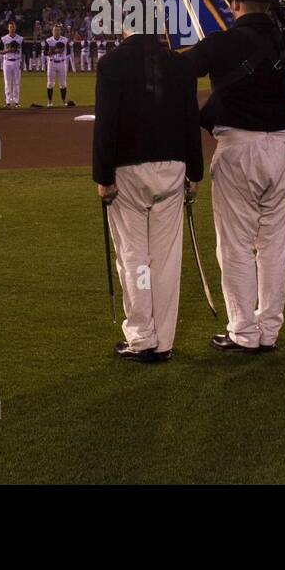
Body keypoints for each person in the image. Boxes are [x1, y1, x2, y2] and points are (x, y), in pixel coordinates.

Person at [187, 0, 285, 354]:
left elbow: (183, 70)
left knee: (235, 245)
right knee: (273, 243)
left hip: (240, 146)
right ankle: (269, 330)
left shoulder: (223, 42)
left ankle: (244, 331)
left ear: (235, 6)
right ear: (267, 4)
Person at [93, 26, 203, 363]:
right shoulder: (180, 65)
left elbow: (106, 122)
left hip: (128, 171)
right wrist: (195, 172)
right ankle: (163, 341)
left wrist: (103, 175)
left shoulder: (112, 63)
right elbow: (190, 119)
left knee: (134, 256)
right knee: (166, 259)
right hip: (172, 168)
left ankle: (141, 338)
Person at [44, 23, 75, 107]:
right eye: (55, 30)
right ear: (52, 31)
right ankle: (50, 102)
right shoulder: (48, 40)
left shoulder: (65, 40)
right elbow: (45, 53)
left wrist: (66, 61)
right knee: (50, 83)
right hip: (52, 63)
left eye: (58, 30)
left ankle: (64, 101)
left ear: (60, 31)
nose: (56, 32)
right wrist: (54, 51)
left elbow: (68, 52)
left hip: (62, 63)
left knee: (63, 83)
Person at [0, 21, 23, 108]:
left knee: (17, 82)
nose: (12, 29)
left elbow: (22, 52)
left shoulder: (20, 39)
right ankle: (8, 101)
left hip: (17, 61)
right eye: (10, 27)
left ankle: (16, 101)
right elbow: (0, 52)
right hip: (7, 61)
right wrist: (9, 50)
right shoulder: (4, 39)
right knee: (7, 82)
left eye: (13, 27)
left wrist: (22, 62)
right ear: (8, 28)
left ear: (15, 28)